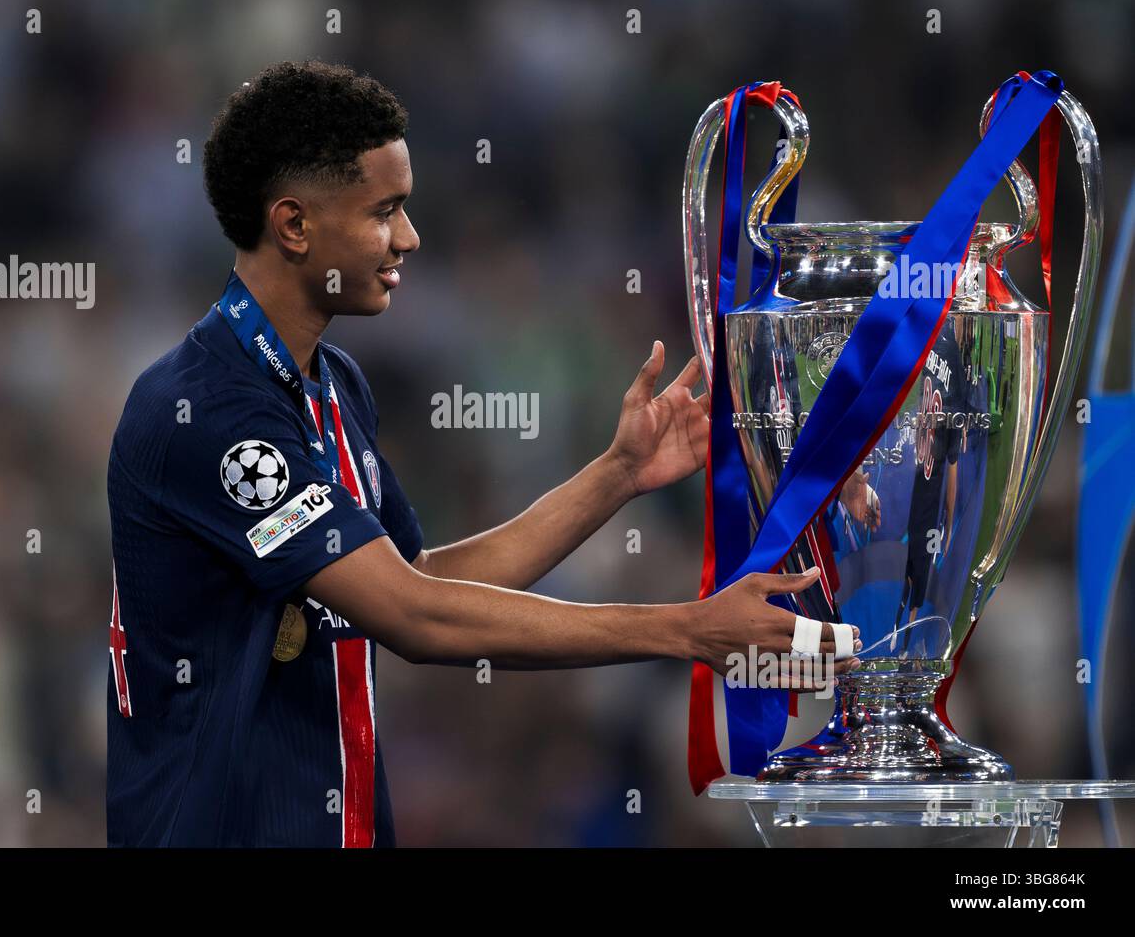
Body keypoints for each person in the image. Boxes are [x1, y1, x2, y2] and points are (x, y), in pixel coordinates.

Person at [106, 60, 860, 847]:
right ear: (295, 225)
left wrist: (617, 476)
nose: (409, 237)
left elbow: (417, 578)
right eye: (384, 211)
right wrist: (686, 629)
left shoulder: (330, 385)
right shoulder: (208, 413)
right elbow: (416, 618)